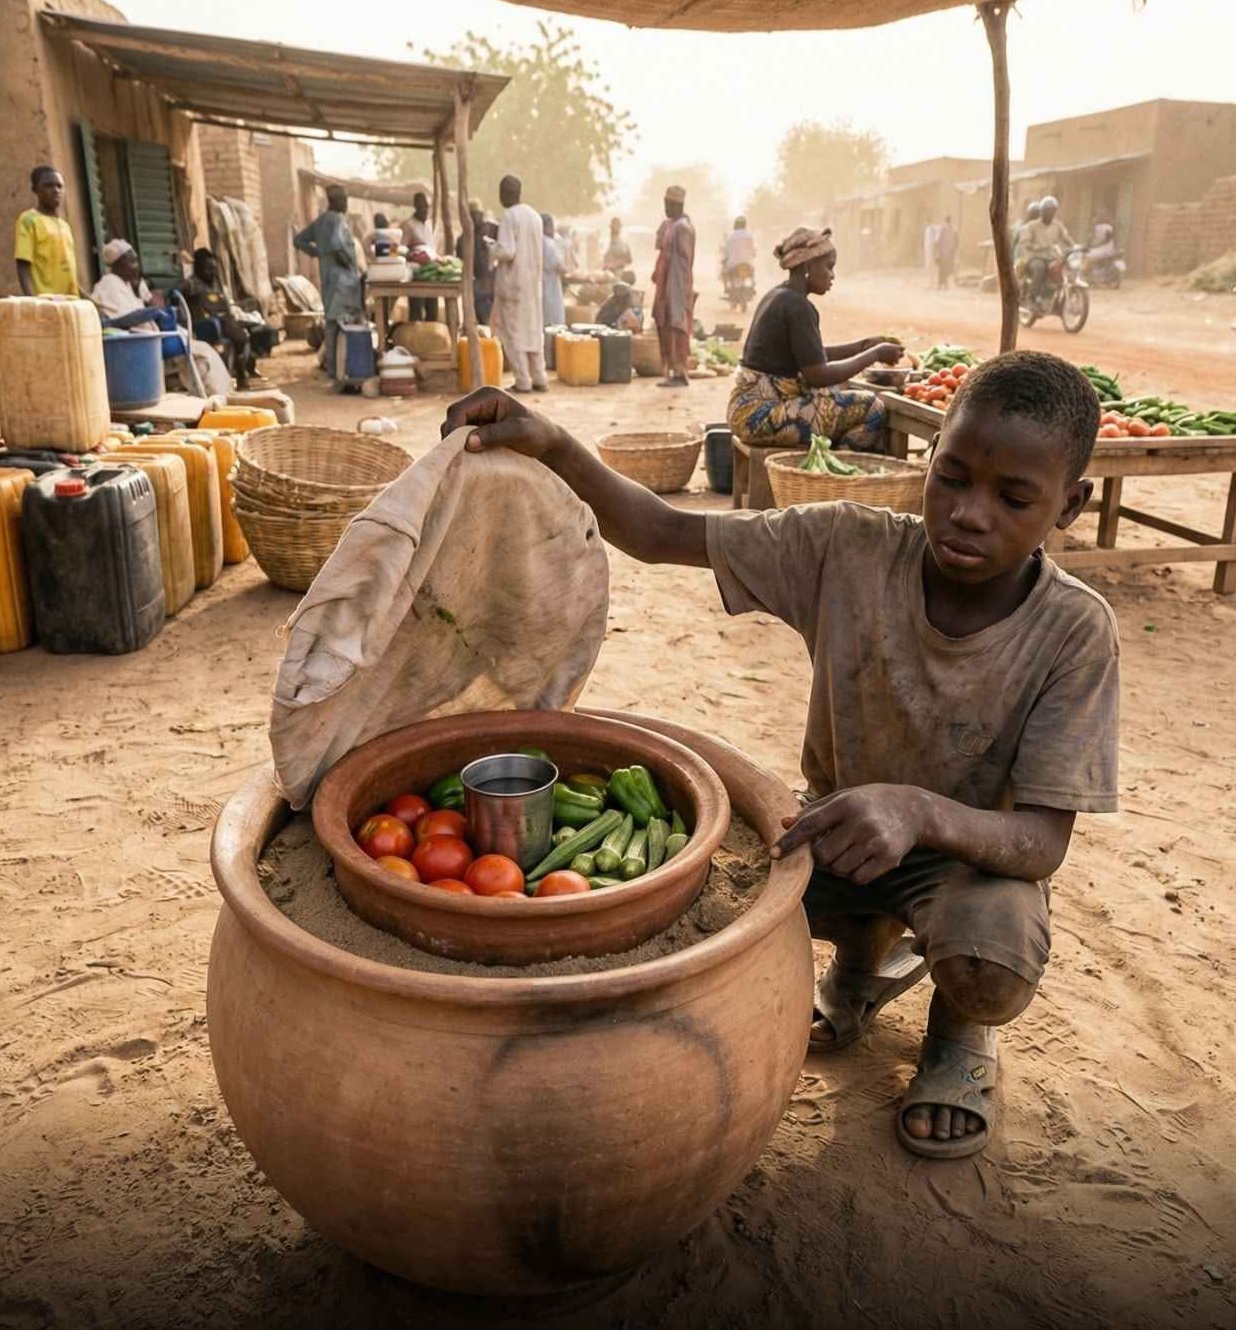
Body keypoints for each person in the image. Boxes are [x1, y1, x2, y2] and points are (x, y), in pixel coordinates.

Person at [443, 347, 1118, 1160]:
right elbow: (659, 533)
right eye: (953, 477)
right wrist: (554, 444)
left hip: (967, 860)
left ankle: (959, 1035)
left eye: (1014, 497)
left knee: (991, 957)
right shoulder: (847, 547)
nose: (970, 513)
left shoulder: (1074, 632)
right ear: (930, 456)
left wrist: (913, 811)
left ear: (1070, 504)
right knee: (703, 918)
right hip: (835, 834)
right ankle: (859, 967)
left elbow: (1041, 842)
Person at [726, 227, 901, 453]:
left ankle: (828, 461)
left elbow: (809, 356)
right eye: (829, 267)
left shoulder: (779, 295)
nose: (832, 276)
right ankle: (836, 473)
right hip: (761, 416)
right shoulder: (799, 306)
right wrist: (875, 355)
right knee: (871, 407)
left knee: (835, 394)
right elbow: (818, 375)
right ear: (808, 267)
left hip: (744, 409)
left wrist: (863, 346)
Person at [92, 239, 233, 397]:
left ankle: (215, 396)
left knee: (203, 353)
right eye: (131, 262)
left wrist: (141, 290)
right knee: (202, 355)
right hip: (135, 344)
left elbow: (156, 301)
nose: (137, 266)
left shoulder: (129, 283)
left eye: (136, 261)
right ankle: (215, 397)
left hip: (152, 337)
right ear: (118, 264)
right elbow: (115, 322)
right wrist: (150, 313)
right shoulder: (110, 286)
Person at [293, 184, 365, 383]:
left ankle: (333, 370)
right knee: (343, 325)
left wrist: (319, 254)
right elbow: (335, 244)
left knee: (332, 326)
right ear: (335, 201)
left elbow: (298, 240)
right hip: (343, 282)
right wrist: (345, 261)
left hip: (329, 280)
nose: (346, 203)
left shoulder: (321, 221)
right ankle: (342, 370)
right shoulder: (336, 219)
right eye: (343, 199)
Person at [489, 174, 547, 392]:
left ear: (505, 193)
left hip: (513, 283)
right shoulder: (535, 216)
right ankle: (540, 378)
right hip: (532, 283)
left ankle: (523, 381)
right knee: (532, 330)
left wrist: (491, 249)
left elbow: (507, 251)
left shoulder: (509, 216)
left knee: (513, 332)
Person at [179, 249, 257, 391]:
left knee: (247, 329)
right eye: (208, 268)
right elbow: (176, 294)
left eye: (214, 269)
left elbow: (226, 309)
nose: (212, 272)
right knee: (236, 333)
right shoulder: (191, 285)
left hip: (222, 324)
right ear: (198, 268)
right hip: (203, 327)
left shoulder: (214, 287)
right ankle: (241, 374)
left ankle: (242, 371)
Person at [652, 185, 697, 389]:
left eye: (668, 204)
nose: (665, 208)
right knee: (665, 323)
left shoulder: (683, 228)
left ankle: (679, 371)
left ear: (677, 204)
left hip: (677, 283)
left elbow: (683, 261)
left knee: (677, 324)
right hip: (667, 283)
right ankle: (672, 369)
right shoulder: (670, 225)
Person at [15, 165, 79, 297]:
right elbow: (23, 264)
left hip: (71, 302)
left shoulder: (65, 226)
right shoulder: (28, 220)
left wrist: (92, 303)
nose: (56, 190)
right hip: (46, 303)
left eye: (59, 186)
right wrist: (33, 301)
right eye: (48, 186)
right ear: (35, 190)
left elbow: (67, 273)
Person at [1015, 195, 1074, 301]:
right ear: (1042, 211)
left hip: (1051, 256)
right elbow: (1024, 242)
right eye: (1048, 211)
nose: (1050, 214)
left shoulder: (1057, 225)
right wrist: (1034, 246)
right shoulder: (1032, 226)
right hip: (1035, 257)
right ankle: (1032, 297)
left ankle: (1053, 293)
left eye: (1052, 211)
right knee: (1039, 269)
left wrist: (1074, 246)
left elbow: (1065, 237)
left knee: (1062, 266)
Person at [401, 193, 439, 322]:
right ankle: (415, 341)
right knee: (416, 312)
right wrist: (414, 256)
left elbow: (431, 248)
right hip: (416, 276)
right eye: (421, 207)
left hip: (431, 276)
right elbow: (401, 250)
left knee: (432, 312)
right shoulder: (408, 225)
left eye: (426, 207)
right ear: (415, 207)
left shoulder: (429, 225)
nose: (425, 210)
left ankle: (429, 340)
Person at [467, 198, 497, 329]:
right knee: (481, 321)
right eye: (472, 215)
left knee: (491, 320)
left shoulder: (491, 229)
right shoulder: (465, 237)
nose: (475, 218)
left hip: (491, 283)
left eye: (477, 215)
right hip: (475, 285)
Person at [542, 212, 568, 328]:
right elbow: (560, 267)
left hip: (540, 284)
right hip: (551, 286)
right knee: (553, 320)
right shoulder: (549, 243)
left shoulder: (535, 241)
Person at [722, 216, 757, 280]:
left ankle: (727, 286)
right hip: (747, 263)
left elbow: (726, 252)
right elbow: (753, 252)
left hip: (732, 264)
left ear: (735, 224)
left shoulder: (730, 236)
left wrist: (726, 258)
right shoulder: (749, 236)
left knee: (723, 271)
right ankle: (753, 283)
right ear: (744, 224)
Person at [602, 216, 633, 281]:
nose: (614, 229)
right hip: (607, 275)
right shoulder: (606, 242)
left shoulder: (624, 243)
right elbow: (603, 261)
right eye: (613, 227)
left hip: (619, 274)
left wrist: (617, 264)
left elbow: (629, 260)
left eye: (616, 226)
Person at [935, 215, 959, 290]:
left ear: (946, 220)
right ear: (950, 220)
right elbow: (956, 241)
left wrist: (938, 251)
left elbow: (939, 240)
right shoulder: (954, 230)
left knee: (942, 269)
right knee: (947, 269)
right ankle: (945, 285)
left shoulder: (943, 229)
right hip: (949, 252)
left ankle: (941, 285)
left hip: (943, 252)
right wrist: (954, 250)